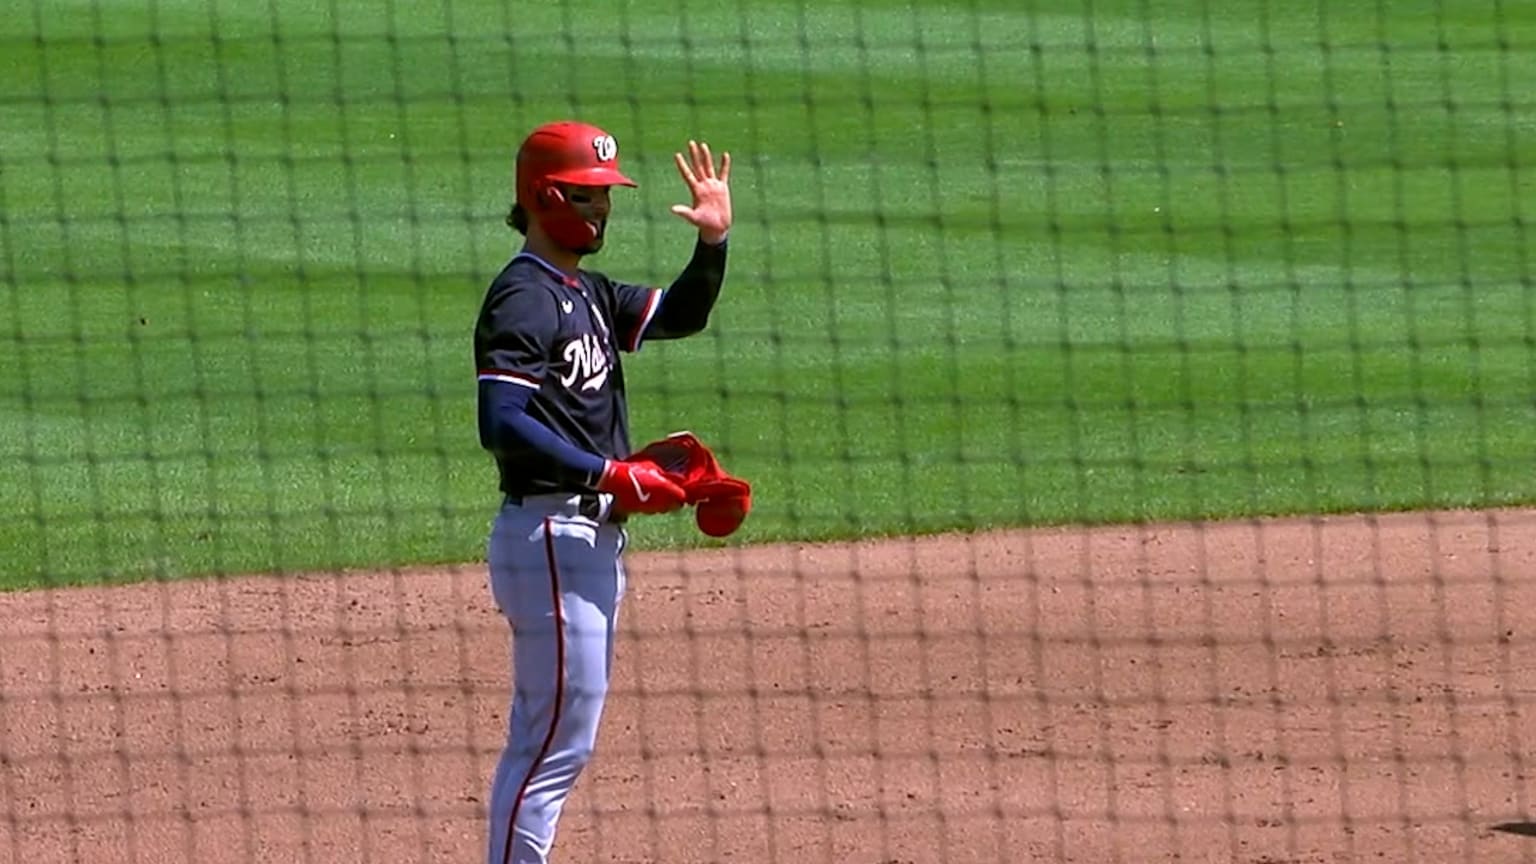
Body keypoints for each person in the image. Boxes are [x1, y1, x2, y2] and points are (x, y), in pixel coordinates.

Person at [471, 120, 733, 864]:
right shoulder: (522, 297)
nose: (601, 211)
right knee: (552, 746)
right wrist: (610, 473)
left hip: (585, 541)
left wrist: (711, 242)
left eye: (607, 198)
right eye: (588, 197)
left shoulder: (583, 289)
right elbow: (501, 423)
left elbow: (681, 314)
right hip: (552, 539)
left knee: (558, 739)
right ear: (546, 195)